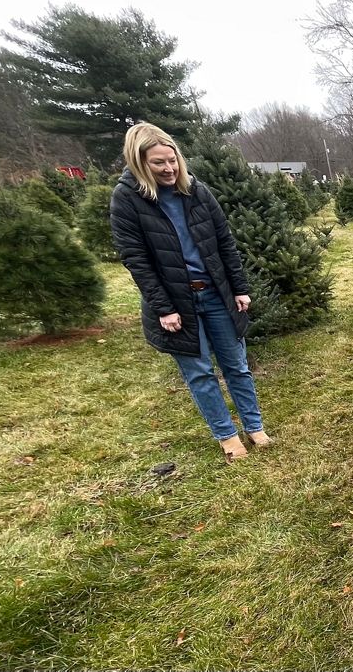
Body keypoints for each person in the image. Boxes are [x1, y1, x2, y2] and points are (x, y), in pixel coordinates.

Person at [110, 122, 267, 463]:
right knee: (200, 372)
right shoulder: (127, 200)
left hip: (215, 294)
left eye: (172, 160)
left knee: (236, 365)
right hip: (176, 303)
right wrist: (164, 308)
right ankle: (226, 434)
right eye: (158, 163)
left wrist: (239, 287)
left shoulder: (197, 192)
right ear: (140, 164)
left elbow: (225, 243)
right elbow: (136, 259)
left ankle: (254, 426)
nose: (168, 169)